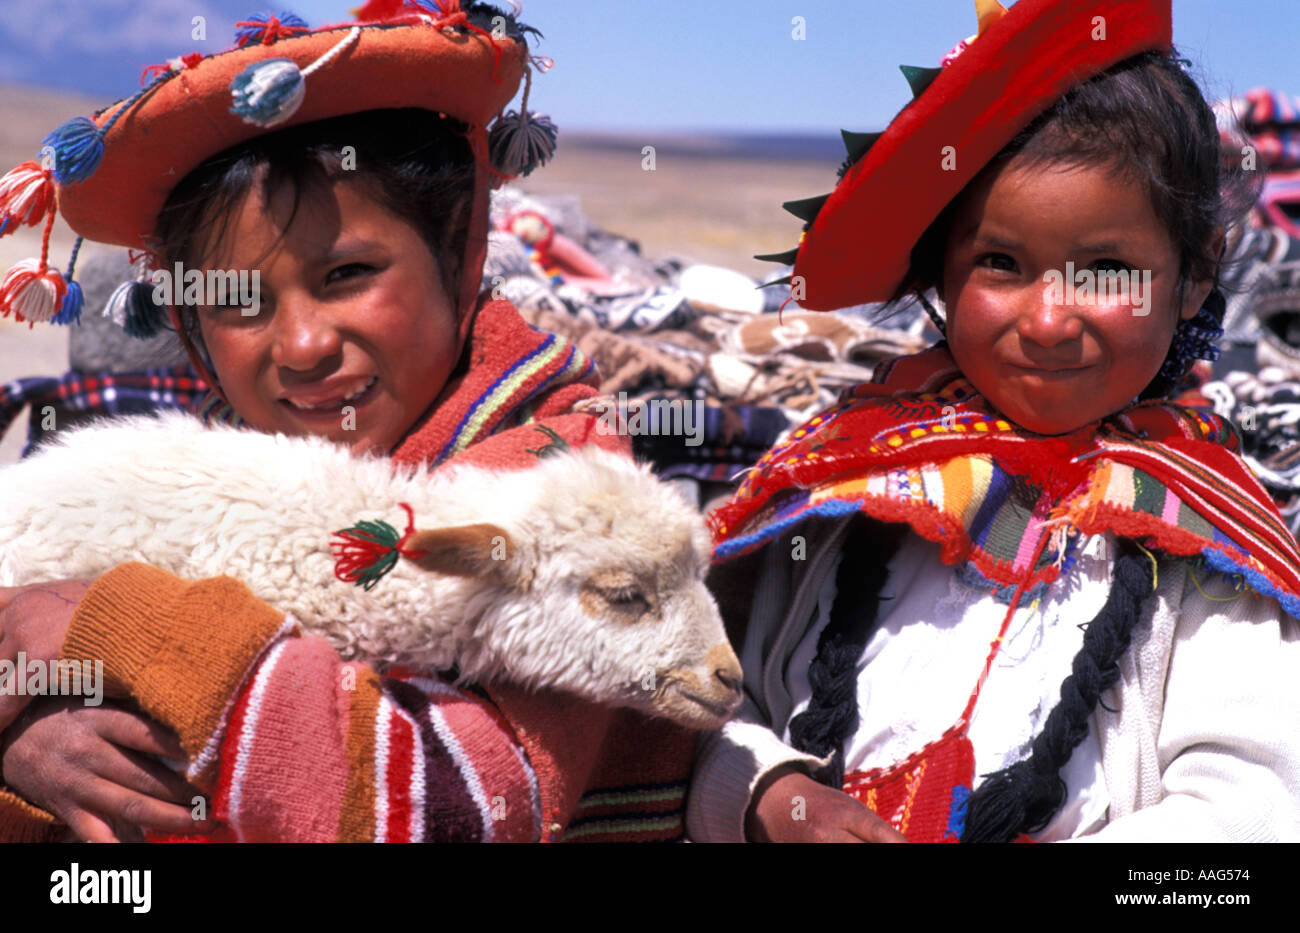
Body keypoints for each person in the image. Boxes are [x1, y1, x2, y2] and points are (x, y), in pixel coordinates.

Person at [0, 2, 697, 843]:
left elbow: (458, 806)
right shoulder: (186, 487)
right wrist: (25, 740)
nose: (302, 345)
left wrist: (125, 624)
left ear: (463, 251)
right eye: (241, 300)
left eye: (348, 273)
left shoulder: (562, 496)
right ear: (189, 325)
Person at [687, 0, 1300, 843]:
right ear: (942, 272)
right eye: (1001, 263)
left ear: (1192, 276)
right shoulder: (846, 488)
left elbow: (1253, 816)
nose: (1049, 320)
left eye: (1108, 269)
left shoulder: (1210, 542)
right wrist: (772, 798)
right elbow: (708, 710)